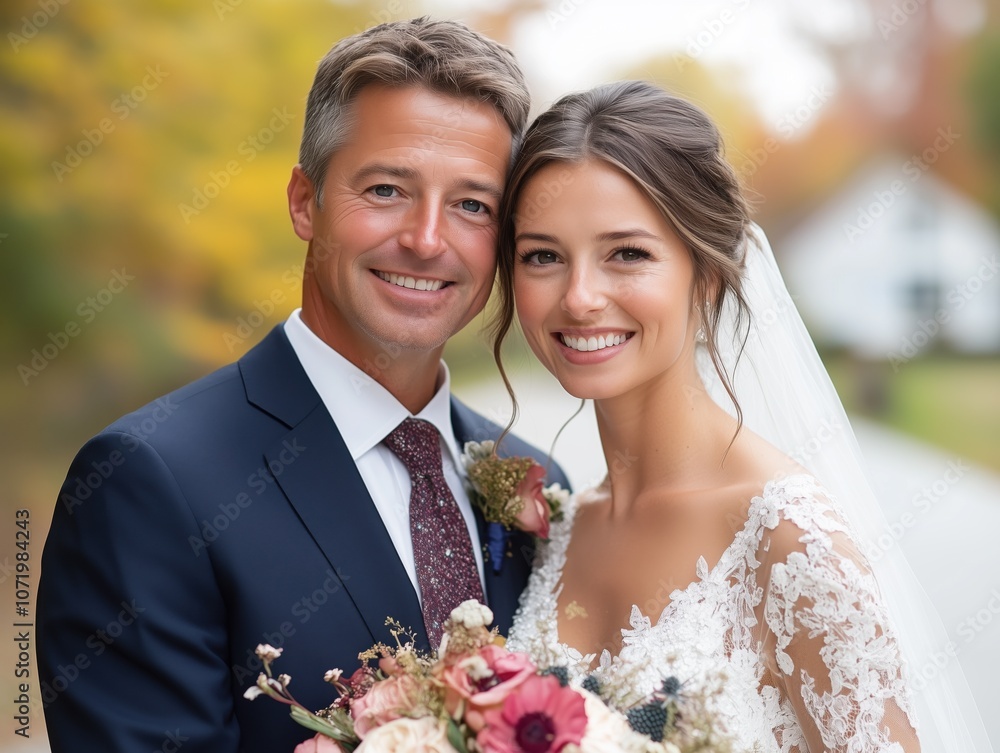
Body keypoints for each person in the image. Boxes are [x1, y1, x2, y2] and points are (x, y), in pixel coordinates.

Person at [37, 18, 569, 753]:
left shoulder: (540, 488)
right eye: (386, 189)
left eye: (473, 205)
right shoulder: (148, 482)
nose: (425, 238)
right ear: (302, 201)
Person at [497, 81, 993, 751]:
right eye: (543, 256)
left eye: (628, 253)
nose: (580, 296)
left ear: (706, 275)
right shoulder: (562, 525)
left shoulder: (790, 540)